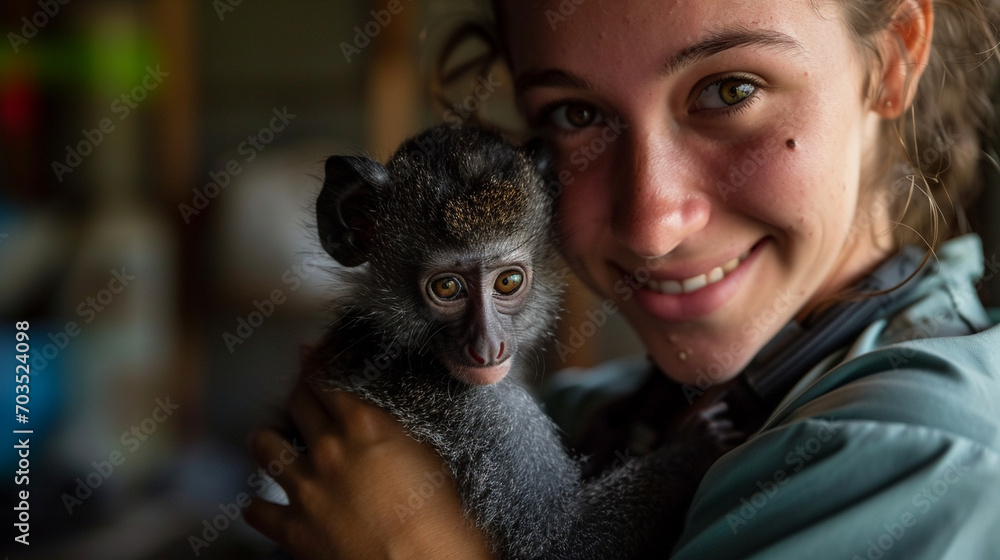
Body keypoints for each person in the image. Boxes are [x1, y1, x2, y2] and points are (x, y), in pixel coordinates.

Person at [245, 0, 1000, 558]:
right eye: (576, 112)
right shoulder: (593, 410)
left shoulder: (909, 455)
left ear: (894, 60)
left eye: (730, 89)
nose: (650, 223)